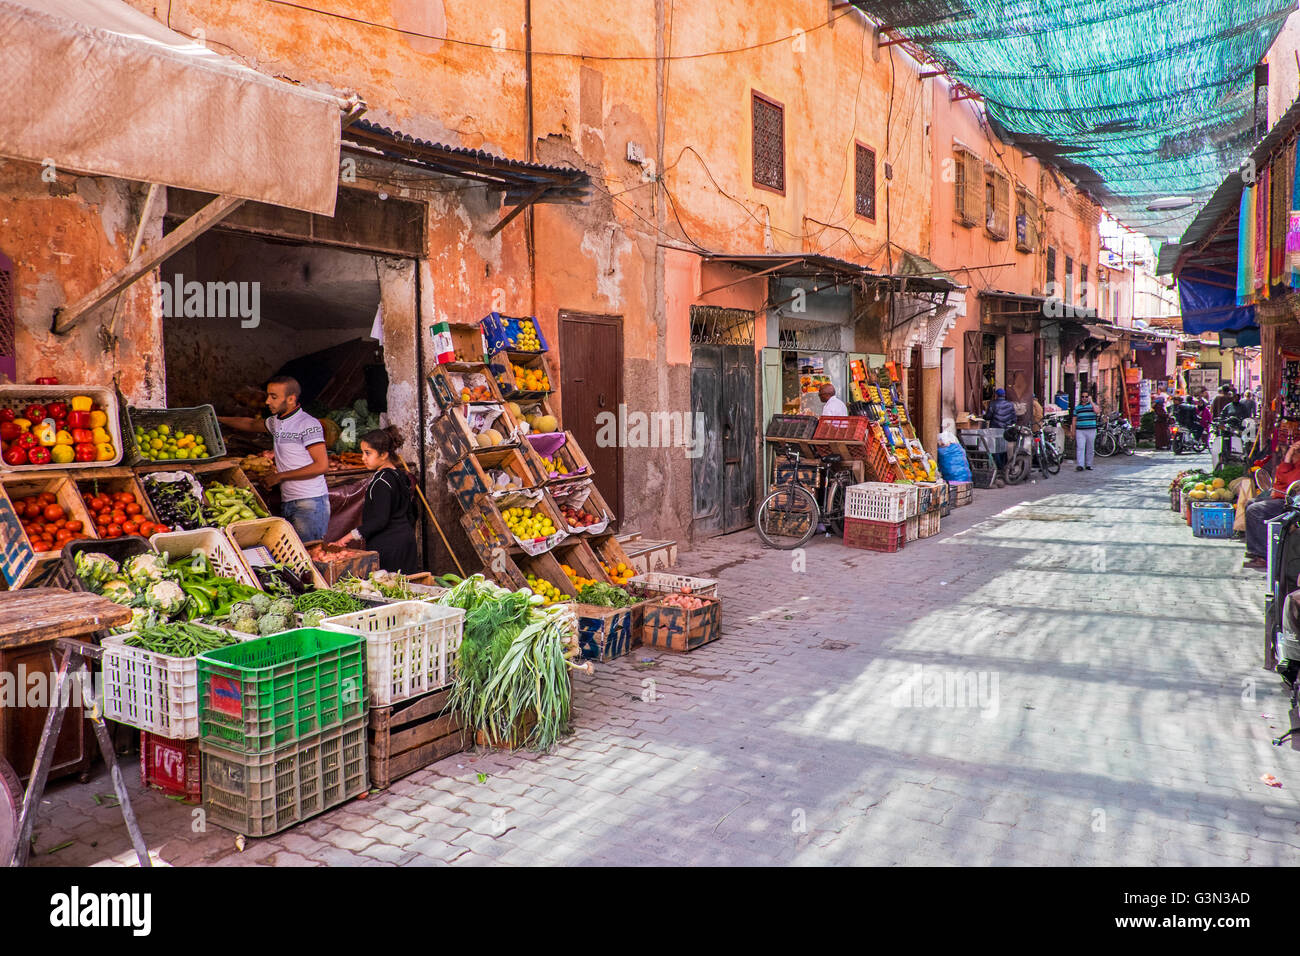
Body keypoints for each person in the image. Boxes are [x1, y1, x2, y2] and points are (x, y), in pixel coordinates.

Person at [219, 376, 331, 543]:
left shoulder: (308, 424)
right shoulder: (276, 422)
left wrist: (280, 476)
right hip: (290, 501)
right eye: (268, 396)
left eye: (274, 397)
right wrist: (216, 418)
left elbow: (321, 466)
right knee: (294, 555)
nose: (267, 401)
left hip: (310, 503)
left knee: (307, 556)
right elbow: (250, 424)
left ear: (291, 399)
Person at [332, 427, 419, 573]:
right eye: (363, 453)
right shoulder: (400, 476)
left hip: (389, 547)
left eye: (368, 453)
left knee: (388, 589)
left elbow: (379, 521)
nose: (363, 458)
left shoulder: (381, 482)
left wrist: (347, 537)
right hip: (406, 543)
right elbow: (411, 514)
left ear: (384, 454)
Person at [1243, 439, 1300, 569]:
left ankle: (1263, 555)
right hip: (1282, 497)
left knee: (1255, 510)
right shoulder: (1290, 465)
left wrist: (1288, 458)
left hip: (1292, 502)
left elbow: (1291, 482)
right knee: (1250, 503)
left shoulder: (1295, 466)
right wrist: (1287, 459)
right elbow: (1279, 481)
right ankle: (1255, 549)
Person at [1072, 390, 1100, 471]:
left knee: (1090, 448)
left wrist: (1091, 402)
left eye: (1086, 397)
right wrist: (1073, 431)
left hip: (1091, 429)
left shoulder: (1093, 406)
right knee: (1080, 447)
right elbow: (1074, 420)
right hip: (1080, 430)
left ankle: (1089, 464)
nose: (1084, 398)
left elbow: (1097, 411)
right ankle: (1080, 465)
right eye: (1083, 397)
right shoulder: (1077, 408)